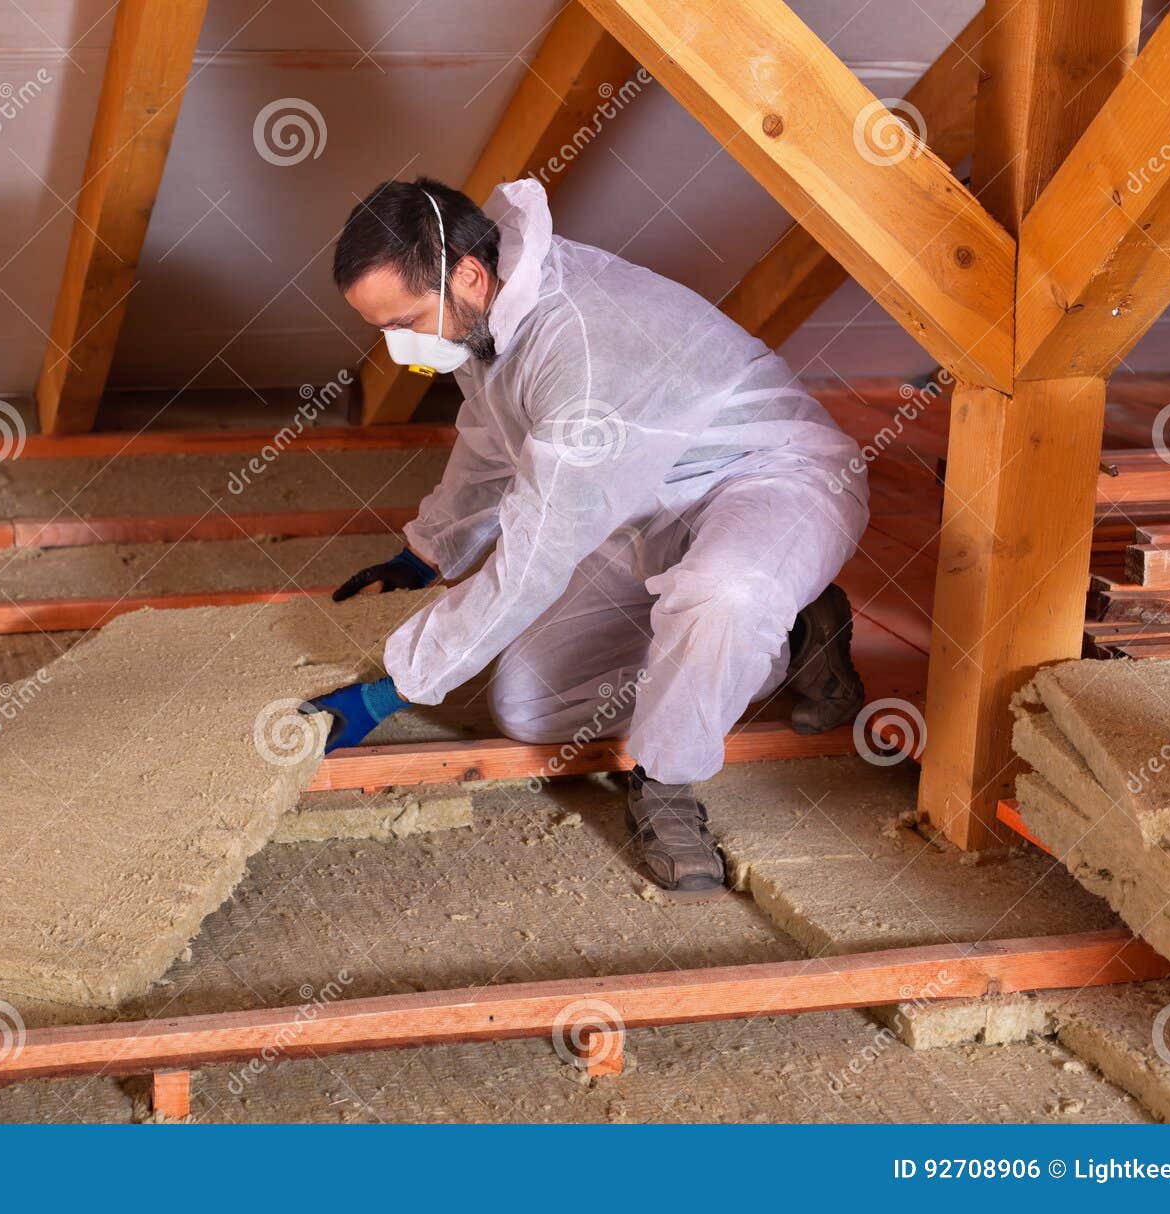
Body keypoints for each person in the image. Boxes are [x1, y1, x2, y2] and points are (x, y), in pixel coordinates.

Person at [305, 176, 869, 891]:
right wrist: (423, 554)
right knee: (529, 706)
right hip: (641, 503)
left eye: (406, 320)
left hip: (770, 480)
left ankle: (667, 783)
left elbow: (535, 559)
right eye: (383, 328)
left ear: (468, 275)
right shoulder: (492, 316)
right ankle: (792, 640)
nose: (398, 344)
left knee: (723, 593)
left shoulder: (581, 343)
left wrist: (392, 691)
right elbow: (493, 443)